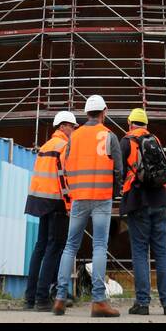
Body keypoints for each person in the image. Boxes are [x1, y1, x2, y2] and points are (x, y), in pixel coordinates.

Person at [53, 94, 123, 318]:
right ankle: (99, 300)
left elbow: (65, 166)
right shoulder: (109, 135)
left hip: (79, 197)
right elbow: (119, 170)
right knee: (99, 246)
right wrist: (115, 191)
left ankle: (60, 298)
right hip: (102, 196)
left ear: (86, 113)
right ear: (104, 112)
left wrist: (74, 189)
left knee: (70, 246)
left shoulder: (74, 136)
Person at [120, 107, 166, 316]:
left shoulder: (127, 141)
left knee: (140, 252)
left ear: (130, 123)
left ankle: (142, 304)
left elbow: (118, 169)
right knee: (162, 252)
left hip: (138, 201)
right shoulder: (156, 140)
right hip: (160, 200)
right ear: (145, 124)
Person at [23, 110, 76, 310]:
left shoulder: (45, 146)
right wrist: (70, 204)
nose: (73, 130)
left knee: (41, 247)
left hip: (40, 201)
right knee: (54, 248)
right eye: (71, 127)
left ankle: (30, 298)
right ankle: (42, 298)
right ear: (63, 126)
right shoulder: (64, 146)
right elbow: (65, 178)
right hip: (57, 202)